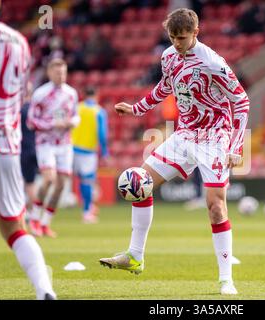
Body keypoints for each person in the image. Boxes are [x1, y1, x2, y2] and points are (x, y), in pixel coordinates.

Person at [99, 8, 250, 295]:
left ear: (196, 33)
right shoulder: (168, 56)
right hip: (183, 135)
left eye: (182, 37)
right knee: (139, 183)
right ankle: (135, 256)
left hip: (214, 137)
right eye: (172, 37)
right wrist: (136, 108)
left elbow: (241, 102)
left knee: (216, 207)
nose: (177, 43)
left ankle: (226, 279)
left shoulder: (213, 62)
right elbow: (165, 86)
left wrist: (236, 146)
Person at [0, 0, 56, 300]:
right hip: (7, 148)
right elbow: (23, 96)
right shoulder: (18, 41)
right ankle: (44, 290)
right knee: (15, 227)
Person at [27, 58, 79, 238]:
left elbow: (75, 116)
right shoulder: (40, 94)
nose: (61, 75)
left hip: (65, 143)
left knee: (61, 184)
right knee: (49, 179)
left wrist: (70, 122)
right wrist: (52, 124)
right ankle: (34, 217)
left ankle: (45, 223)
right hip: (46, 143)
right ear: (49, 73)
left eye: (64, 72)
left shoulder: (71, 93)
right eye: (58, 72)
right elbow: (31, 121)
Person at [71, 86, 109, 224]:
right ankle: (87, 212)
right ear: (97, 95)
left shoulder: (76, 108)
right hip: (87, 152)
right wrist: (104, 152)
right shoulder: (98, 111)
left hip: (71, 148)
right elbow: (102, 134)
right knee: (87, 181)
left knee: (79, 180)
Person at [20, 82, 38, 225]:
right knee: (31, 183)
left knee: (22, 182)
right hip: (35, 148)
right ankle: (33, 213)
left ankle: (23, 212)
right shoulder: (36, 109)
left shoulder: (19, 110)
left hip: (22, 150)